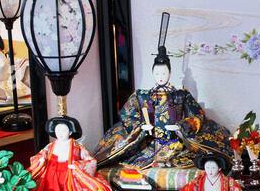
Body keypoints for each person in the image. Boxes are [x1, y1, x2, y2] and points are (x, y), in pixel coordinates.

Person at [92, 14, 232, 180]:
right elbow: (126, 114)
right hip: (149, 144)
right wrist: (141, 126)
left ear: (170, 73)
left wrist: (182, 126)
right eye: (157, 72)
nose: (160, 76)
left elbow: (197, 115)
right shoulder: (142, 95)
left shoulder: (181, 95)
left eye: (164, 72)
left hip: (176, 144)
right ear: (152, 72)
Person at [29, 115, 126, 191]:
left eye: (63, 130)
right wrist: (41, 160)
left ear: (70, 132)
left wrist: (78, 166)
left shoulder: (76, 146)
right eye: (57, 130)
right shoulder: (50, 146)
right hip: (51, 175)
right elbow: (39, 156)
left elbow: (90, 160)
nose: (60, 133)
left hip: (70, 175)